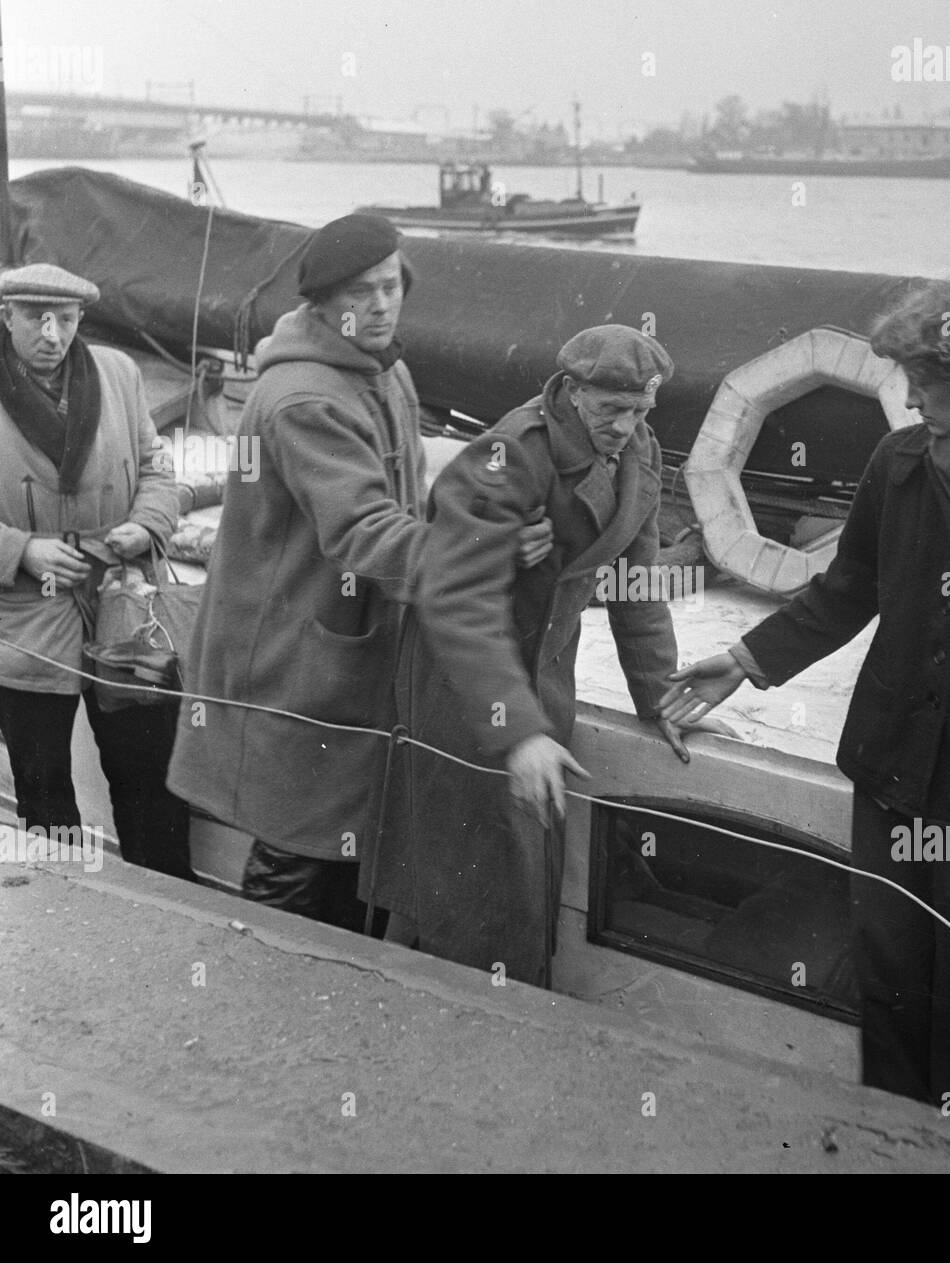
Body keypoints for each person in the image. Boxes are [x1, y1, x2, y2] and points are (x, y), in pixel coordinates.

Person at [660, 277, 950, 1133]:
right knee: (886, 997)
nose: (911, 399)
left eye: (927, 383)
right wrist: (745, 659)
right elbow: (847, 588)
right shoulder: (900, 460)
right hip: (892, 782)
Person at [167, 214, 550, 932]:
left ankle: (333, 980)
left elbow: (407, 487)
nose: (380, 306)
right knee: (296, 844)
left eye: (390, 286)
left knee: (344, 846)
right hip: (292, 658)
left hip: (347, 646)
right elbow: (363, 532)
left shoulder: (383, 369)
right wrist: (485, 554)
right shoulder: (305, 399)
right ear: (320, 305)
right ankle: (262, 972)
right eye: (359, 293)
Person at [361, 324, 731, 987]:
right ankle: (447, 1013)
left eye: (640, 410)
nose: (625, 426)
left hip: (542, 680)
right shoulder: (513, 453)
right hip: (469, 685)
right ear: (573, 390)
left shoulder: (639, 451)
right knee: (463, 873)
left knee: (515, 874)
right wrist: (517, 731)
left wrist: (661, 696)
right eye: (610, 409)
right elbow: (457, 595)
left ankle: (492, 1009)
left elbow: (636, 583)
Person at [0, 263, 189, 878]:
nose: (52, 334)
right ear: (7, 315)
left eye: (65, 318)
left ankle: (170, 900)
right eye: (36, 318)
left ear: (81, 318)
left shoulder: (119, 373)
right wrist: (20, 550)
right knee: (44, 784)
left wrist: (149, 522)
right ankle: (67, 899)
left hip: (119, 602)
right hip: (27, 619)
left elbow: (157, 465)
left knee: (149, 770)